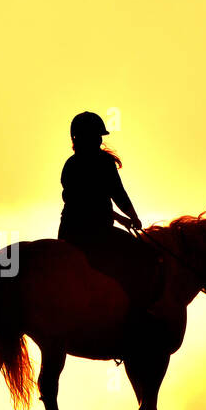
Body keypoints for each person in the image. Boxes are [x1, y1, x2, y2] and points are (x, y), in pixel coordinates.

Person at [57, 112, 161, 317]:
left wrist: (122, 218)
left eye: (99, 136)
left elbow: (83, 204)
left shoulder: (70, 165)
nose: (99, 140)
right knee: (144, 256)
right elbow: (117, 193)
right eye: (95, 136)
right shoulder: (103, 162)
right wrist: (133, 216)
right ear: (83, 138)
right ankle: (136, 313)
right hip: (97, 235)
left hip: (69, 234)